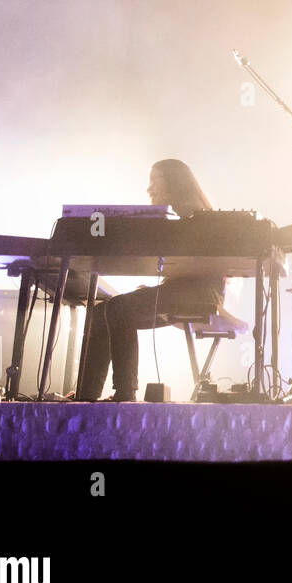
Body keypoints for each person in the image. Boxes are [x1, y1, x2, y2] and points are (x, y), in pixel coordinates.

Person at [75, 159, 224, 402]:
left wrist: (164, 287)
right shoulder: (181, 217)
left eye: (155, 180)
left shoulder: (199, 217)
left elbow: (205, 267)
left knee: (118, 309)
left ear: (174, 182)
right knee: (99, 312)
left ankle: (125, 393)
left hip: (199, 293)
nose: (149, 189)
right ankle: (85, 396)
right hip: (181, 290)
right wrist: (162, 289)